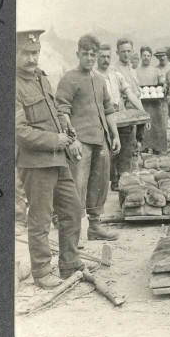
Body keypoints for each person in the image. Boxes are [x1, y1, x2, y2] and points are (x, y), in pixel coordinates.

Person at [15, 30, 84, 288]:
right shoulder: (11, 85)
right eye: (26, 54)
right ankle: (42, 272)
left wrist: (67, 131)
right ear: (14, 54)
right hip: (35, 164)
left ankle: (69, 263)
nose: (33, 59)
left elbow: (54, 112)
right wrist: (56, 141)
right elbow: (19, 132)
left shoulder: (41, 78)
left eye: (35, 53)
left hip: (58, 160)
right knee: (41, 220)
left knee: (73, 210)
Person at [55, 34, 122, 242]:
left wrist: (115, 134)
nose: (90, 58)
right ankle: (72, 236)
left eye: (93, 54)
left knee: (100, 183)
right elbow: (62, 110)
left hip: (100, 140)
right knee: (76, 186)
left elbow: (108, 109)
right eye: (86, 54)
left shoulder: (100, 81)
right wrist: (71, 138)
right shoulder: (69, 78)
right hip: (80, 142)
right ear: (78, 54)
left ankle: (95, 227)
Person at [97, 43, 142, 188]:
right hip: (102, 116)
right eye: (102, 56)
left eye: (108, 56)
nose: (105, 59)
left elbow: (130, 94)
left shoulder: (116, 75)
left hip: (119, 114)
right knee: (108, 149)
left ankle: (123, 178)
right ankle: (112, 179)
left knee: (125, 146)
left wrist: (143, 112)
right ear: (97, 57)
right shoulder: (93, 76)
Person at [115, 38, 145, 160]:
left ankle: (134, 171)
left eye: (128, 51)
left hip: (137, 108)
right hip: (124, 110)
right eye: (123, 51)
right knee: (126, 145)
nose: (126, 54)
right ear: (117, 52)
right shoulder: (114, 70)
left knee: (137, 143)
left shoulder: (133, 71)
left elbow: (137, 94)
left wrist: (143, 112)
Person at [136, 45, 169, 155]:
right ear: (141, 56)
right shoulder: (136, 72)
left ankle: (157, 149)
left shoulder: (156, 70)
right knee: (143, 126)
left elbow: (162, 79)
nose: (146, 57)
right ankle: (144, 149)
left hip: (155, 103)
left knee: (156, 125)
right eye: (144, 55)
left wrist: (163, 84)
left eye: (148, 56)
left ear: (151, 57)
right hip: (142, 104)